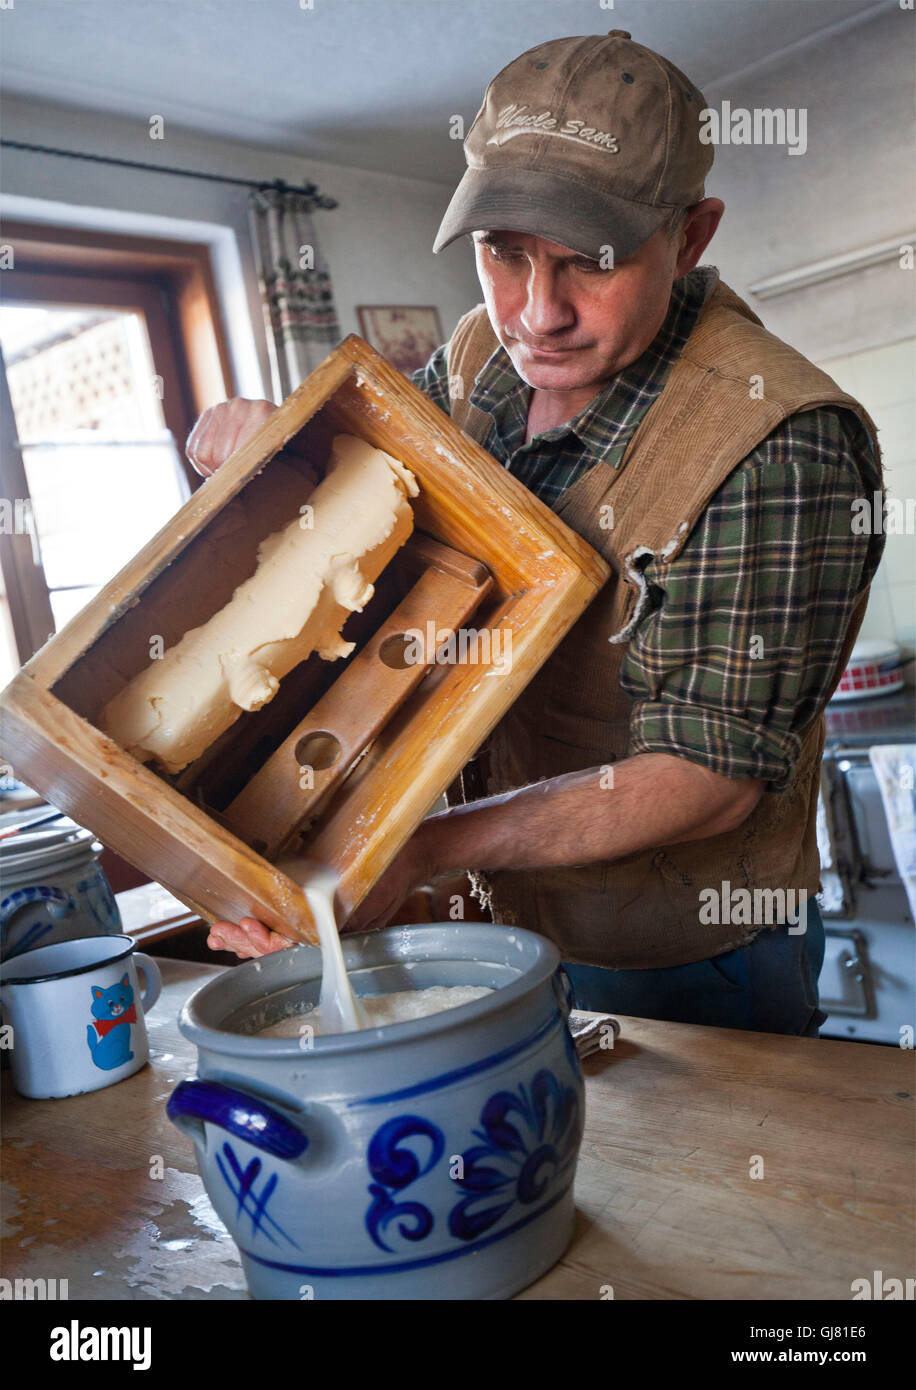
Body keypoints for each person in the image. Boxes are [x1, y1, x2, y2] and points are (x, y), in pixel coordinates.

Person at [186, 32, 884, 1035]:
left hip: (685, 956)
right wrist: (267, 457)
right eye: (503, 253)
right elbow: (369, 513)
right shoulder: (478, 355)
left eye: (591, 264)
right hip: (496, 911)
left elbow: (710, 777)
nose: (538, 312)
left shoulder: (777, 444)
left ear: (688, 240)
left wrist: (422, 846)